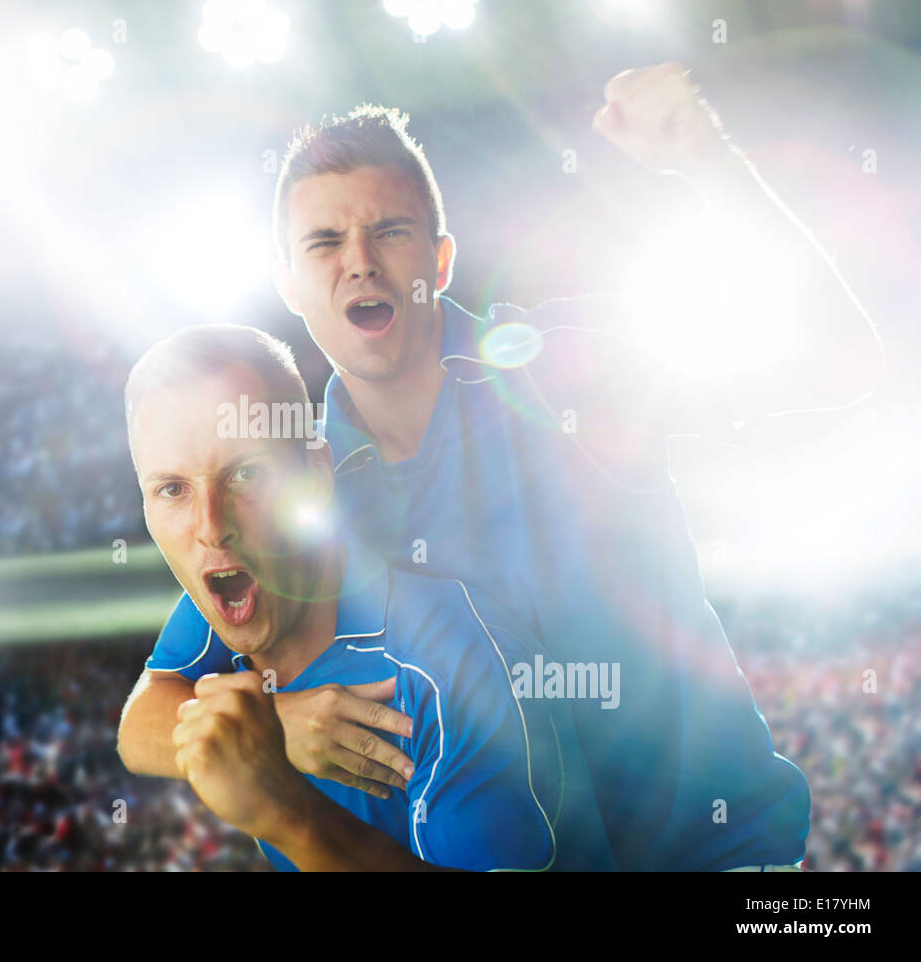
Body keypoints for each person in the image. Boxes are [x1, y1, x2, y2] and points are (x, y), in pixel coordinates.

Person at [121, 63, 872, 869]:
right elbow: (146, 712)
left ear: (440, 262)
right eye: (325, 242)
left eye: (391, 232)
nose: (360, 262)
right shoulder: (290, 472)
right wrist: (280, 719)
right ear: (291, 285)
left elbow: (841, 363)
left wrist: (710, 163)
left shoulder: (562, 371)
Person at [123, 322, 616, 870]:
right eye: (172, 489)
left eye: (246, 473)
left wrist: (284, 809)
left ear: (314, 473)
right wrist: (280, 727)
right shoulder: (228, 577)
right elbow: (139, 722)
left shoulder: (453, 667)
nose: (210, 527)